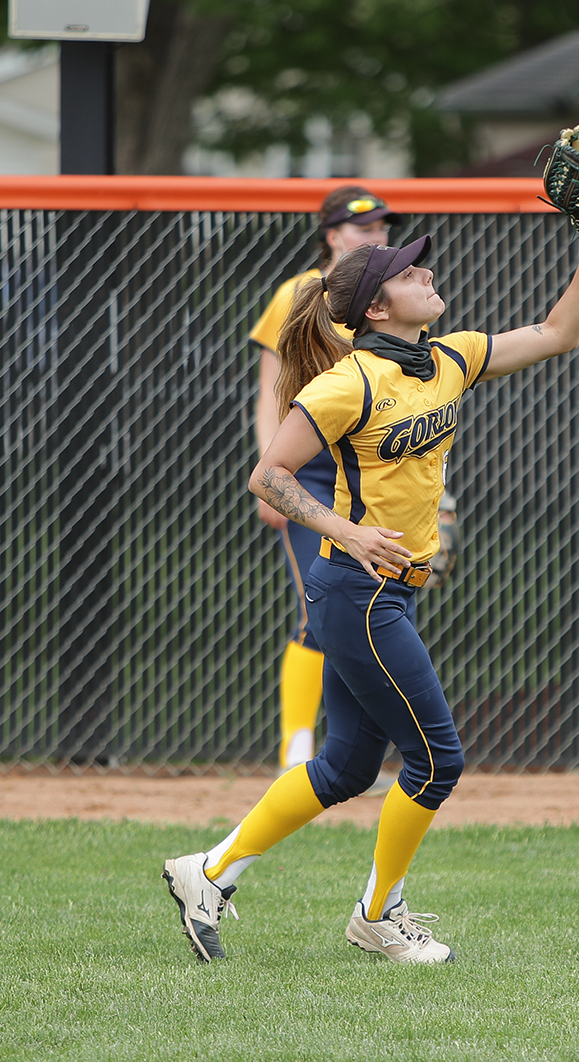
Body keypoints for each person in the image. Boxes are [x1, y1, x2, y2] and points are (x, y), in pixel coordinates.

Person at [163, 214, 579, 964]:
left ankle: (207, 873)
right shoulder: (347, 383)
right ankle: (377, 914)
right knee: (437, 760)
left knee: (345, 766)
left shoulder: (450, 359)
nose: (426, 276)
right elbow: (267, 476)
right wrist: (344, 530)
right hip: (357, 593)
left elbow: (559, 332)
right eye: (408, 274)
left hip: (386, 596)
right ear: (376, 308)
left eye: (420, 269)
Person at [248, 187, 400, 771]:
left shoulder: (389, 295)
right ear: (331, 235)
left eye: (382, 225)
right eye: (361, 226)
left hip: (367, 463)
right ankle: (297, 747)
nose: (375, 233)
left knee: (371, 608)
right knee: (320, 611)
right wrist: (269, 469)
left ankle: (349, 750)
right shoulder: (300, 292)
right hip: (307, 466)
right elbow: (270, 386)